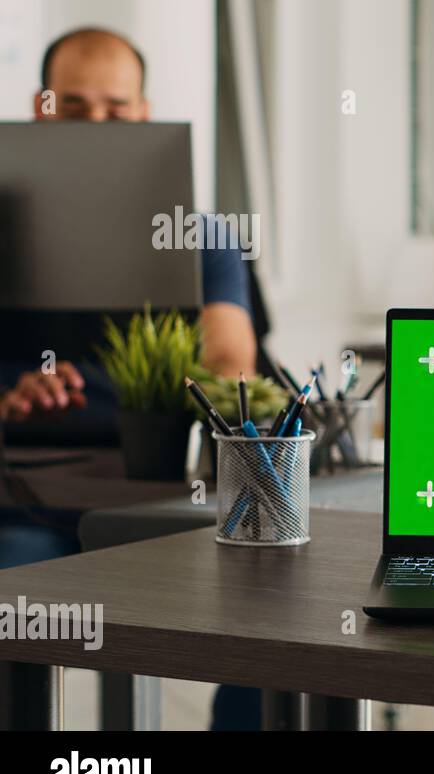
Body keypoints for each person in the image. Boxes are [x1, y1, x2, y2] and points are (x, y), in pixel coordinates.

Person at [0, 28, 256, 557]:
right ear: (39, 109)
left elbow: (232, 371)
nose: (94, 127)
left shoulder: (201, 239)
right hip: (23, 499)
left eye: (114, 111)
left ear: (143, 113)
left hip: (162, 505)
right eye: (73, 108)